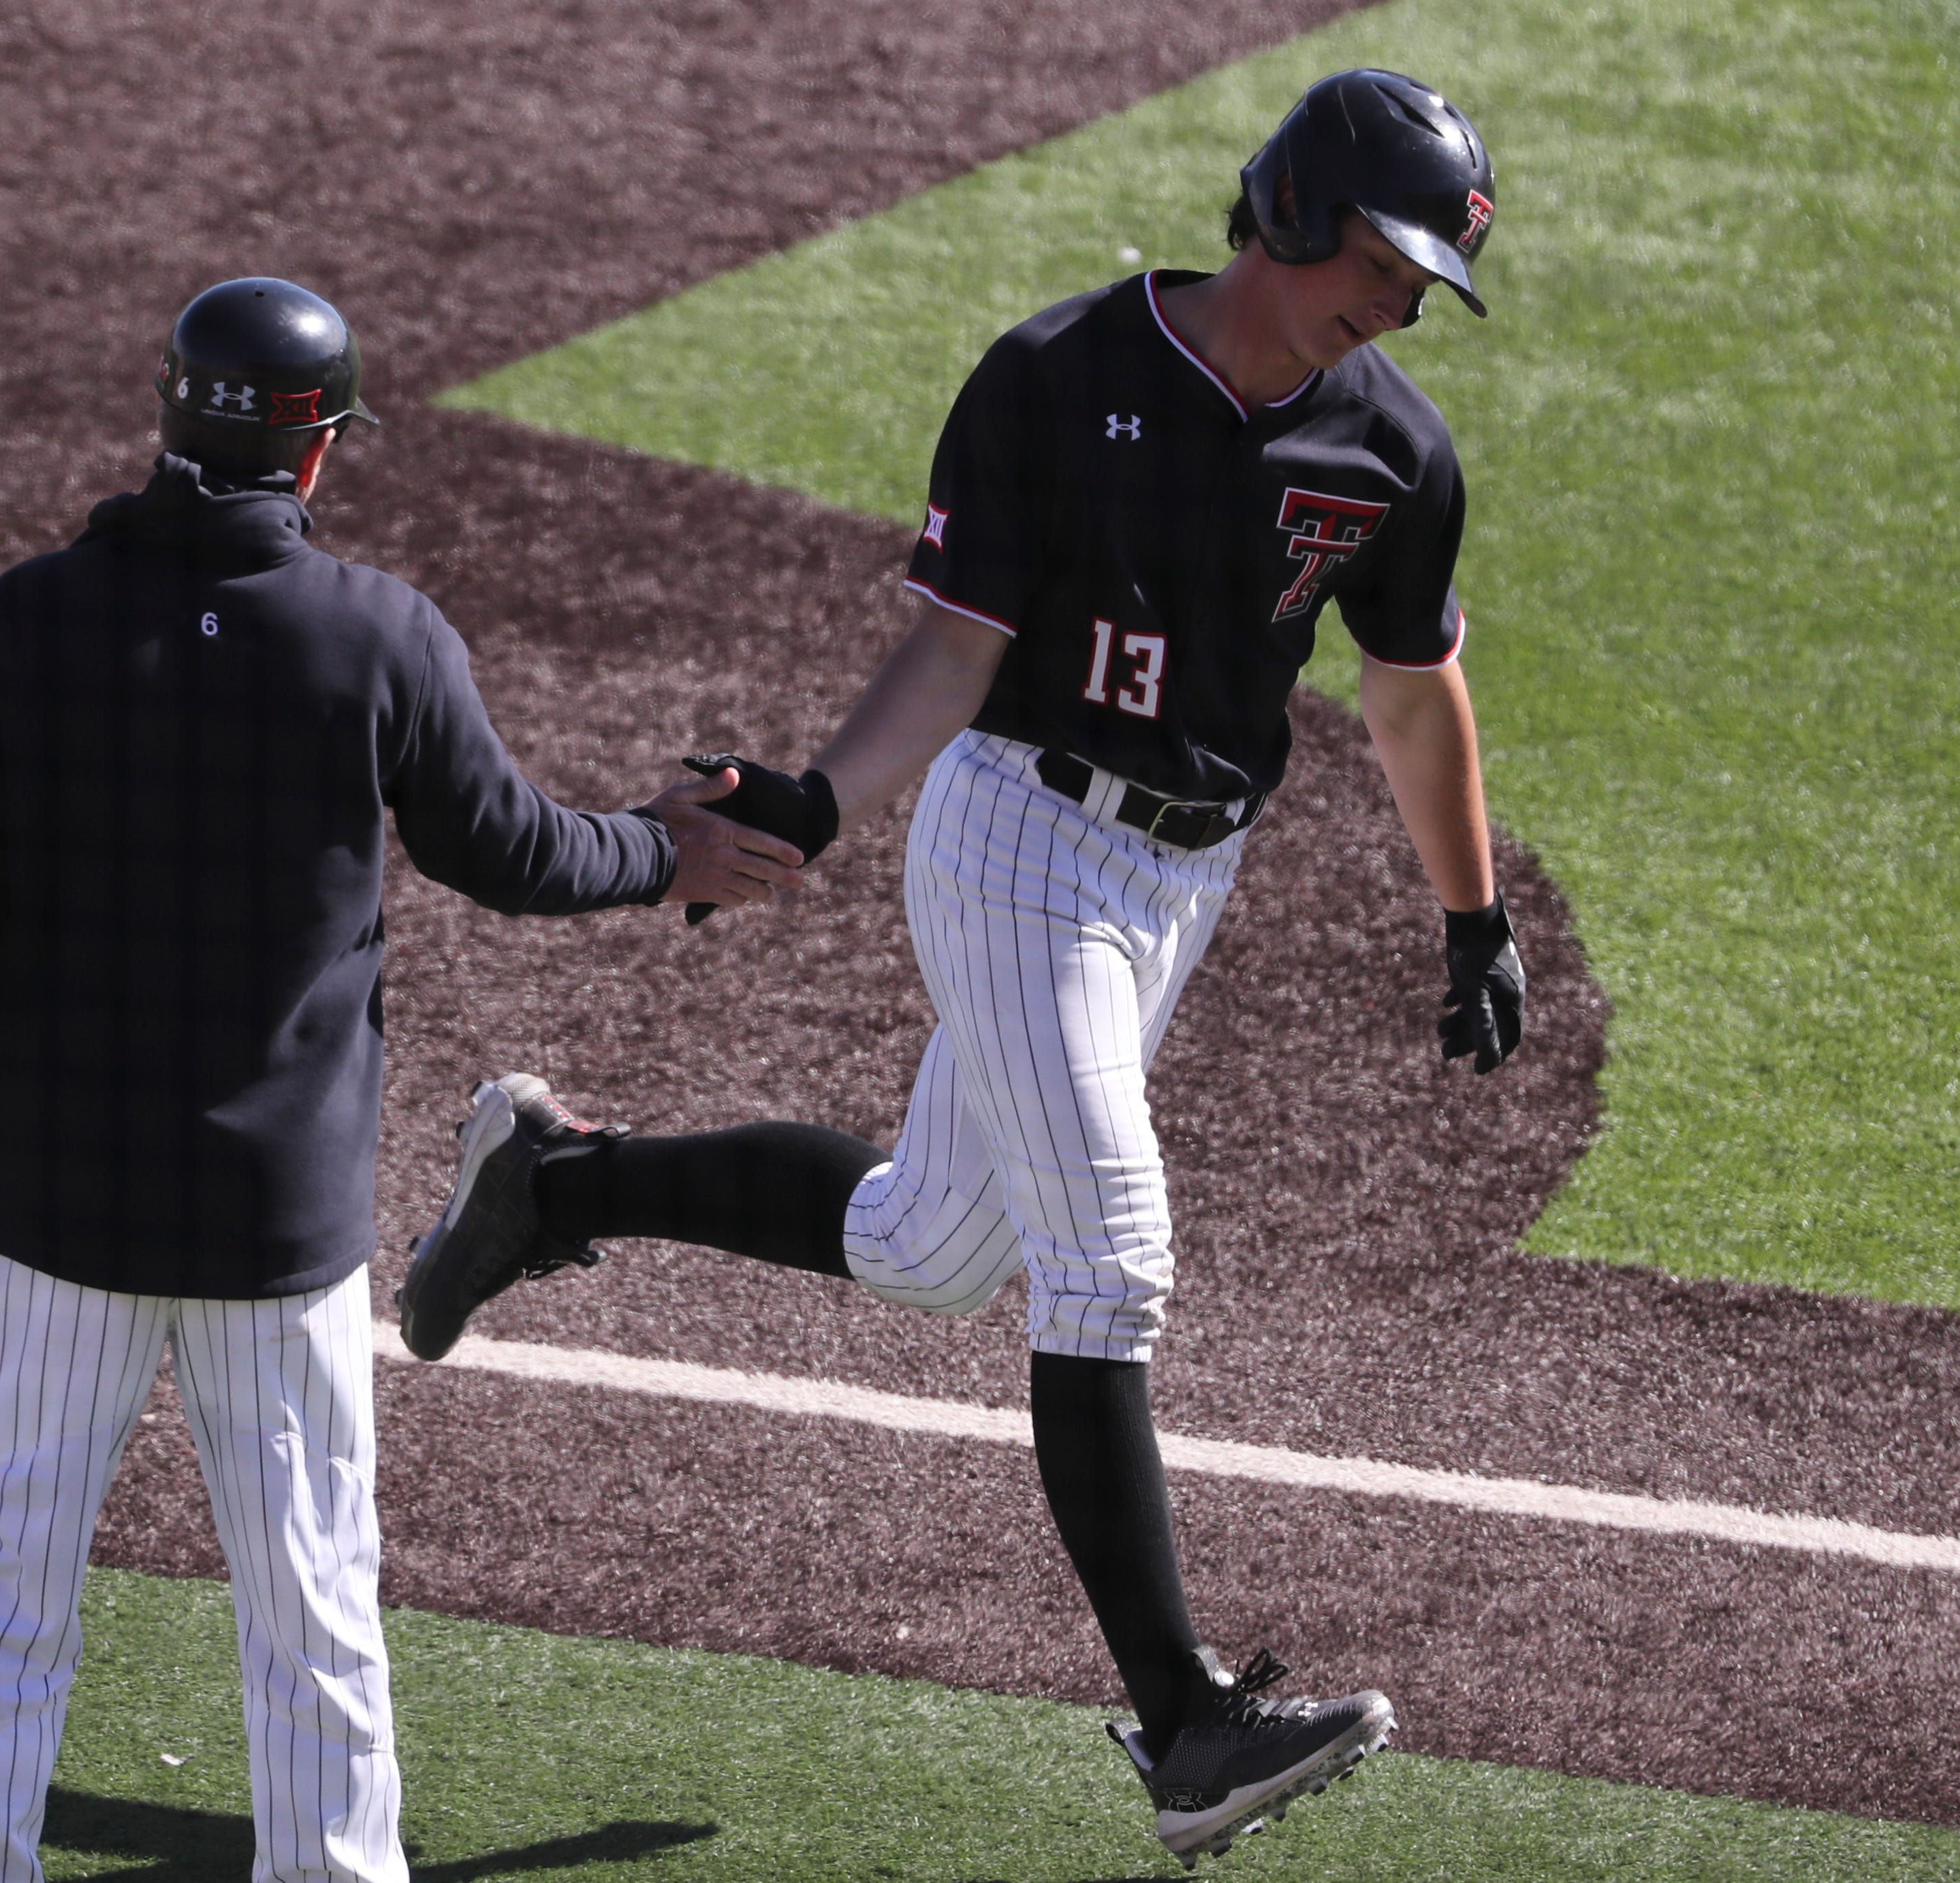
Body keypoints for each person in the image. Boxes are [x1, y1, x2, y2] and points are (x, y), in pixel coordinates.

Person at [397, 70, 1526, 1869]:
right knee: (1112, 1245)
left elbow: (1408, 691)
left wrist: (1470, 913)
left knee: (934, 1244)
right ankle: (1184, 1724)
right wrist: (826, 803)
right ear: (1295, 212)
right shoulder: (1058, 376)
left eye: (1421, 283)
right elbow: (954, 646)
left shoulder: (1391, 448)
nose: (1395, 305)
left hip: (1180, 886)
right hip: (1019, 843)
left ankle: (553, 1175)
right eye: (1381, 262)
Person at [0, 276, 802, 1883]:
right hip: (273, 1230)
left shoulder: (28, 619)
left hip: (59, 1212)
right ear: (317, 451)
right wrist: (665, 848)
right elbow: (511, 852)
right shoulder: (375, 633)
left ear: (171, 421)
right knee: (313, 1614)